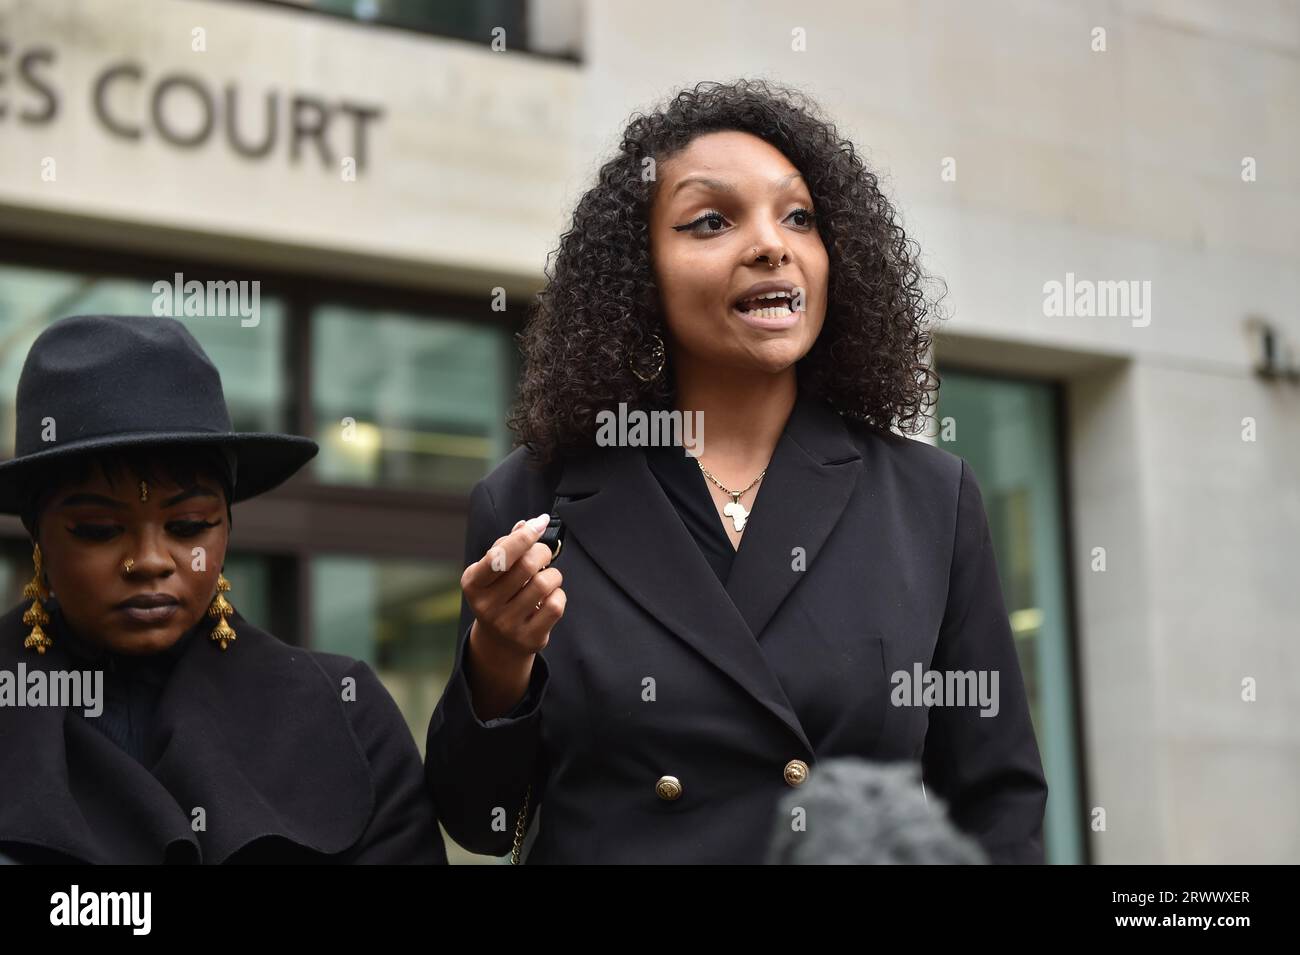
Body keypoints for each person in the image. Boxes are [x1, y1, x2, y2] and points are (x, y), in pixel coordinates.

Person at [426, 79, 1048, 864]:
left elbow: (998, 804)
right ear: (637, 274)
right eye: (712, 221)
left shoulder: (931, 500)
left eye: (800, 217)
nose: (770, 243)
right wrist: (499, 657)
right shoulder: (532, 499)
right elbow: (479, 820)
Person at [0, 314, 446, 864]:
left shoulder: (345, 714)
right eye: (98, 530)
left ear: (227, 527)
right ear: (37, 534)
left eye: (187, 526)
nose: (149, 561)